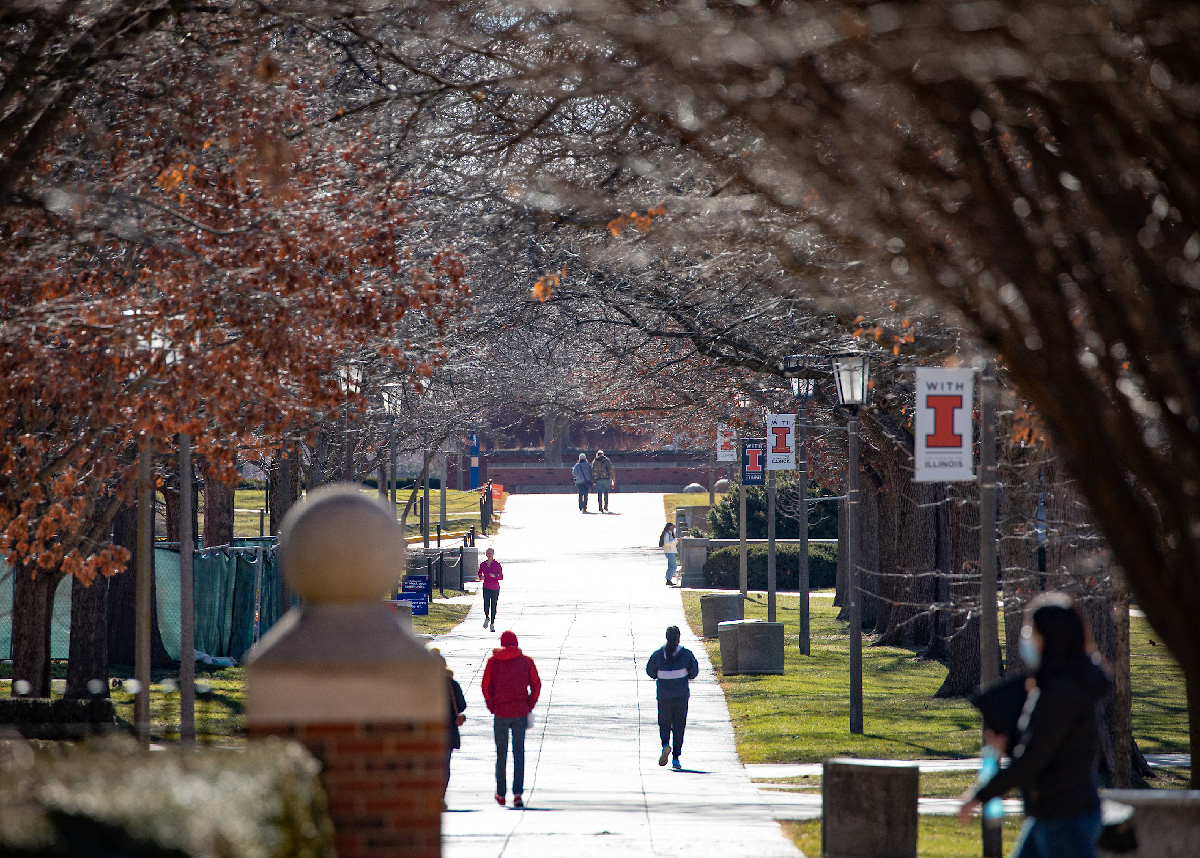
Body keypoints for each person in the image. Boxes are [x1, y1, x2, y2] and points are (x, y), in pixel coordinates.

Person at [958, 592, 1112, 858]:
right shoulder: (1056, 687)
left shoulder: (1061, 693)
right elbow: (1046, 746)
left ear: (1049, 637)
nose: (1026, 638)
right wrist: (1008, 745)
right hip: (1050, 814)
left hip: (1065, 818)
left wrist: (980, 796)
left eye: (1032, 630)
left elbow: (1034, 757)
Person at [483, 630, 541, 808]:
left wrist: (492, 705)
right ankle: (517, 794)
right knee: (519, 753)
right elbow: (536, 685)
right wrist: (529, 705)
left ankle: (501, 793)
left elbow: (486, 686)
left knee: (501, 754)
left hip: (500, 712)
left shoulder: (493, 662)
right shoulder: (526, 661)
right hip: (520, 712)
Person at [645, 625, 699, 770]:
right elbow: (694, 672)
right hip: (681, 695)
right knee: (679, 726)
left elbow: (650, 672)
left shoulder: (658, 655)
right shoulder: (686, 654)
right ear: (678, 638)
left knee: (664, 723)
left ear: (666, 637)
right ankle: (676, 758)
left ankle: (665, 745)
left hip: (664, 696)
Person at [435, 650, 467, 809]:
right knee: (445, 766)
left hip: (430, 731)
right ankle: (440, 797)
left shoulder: (422, 685)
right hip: (448, 730)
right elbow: (462, 705)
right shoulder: (451, 684)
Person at [478, 547, 502, 632]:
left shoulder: (497, 564)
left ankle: (492, 624)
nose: (489, 555)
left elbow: (501, 576)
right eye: (488, 553)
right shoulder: (483, 564)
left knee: (493, 605)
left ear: (493, 554)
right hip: (486, 586)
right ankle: (487, 617)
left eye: (491, 553)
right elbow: (479, 572)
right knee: (486, 603)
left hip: (495, 588)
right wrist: (481, 576)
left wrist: (495, 576)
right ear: (486, 554)